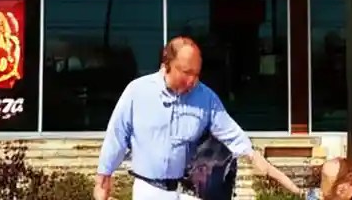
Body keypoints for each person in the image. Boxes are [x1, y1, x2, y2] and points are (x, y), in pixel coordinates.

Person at [95, 36, 306, 200]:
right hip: (147, 190)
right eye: (187, 72)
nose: (193, 80)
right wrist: (103, 178)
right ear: (166, 64)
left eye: (197, 74)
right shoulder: (137, 92)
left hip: (185, 190)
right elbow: (117, 137)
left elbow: (232, 134)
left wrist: (256, 158)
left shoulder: (205, 98)